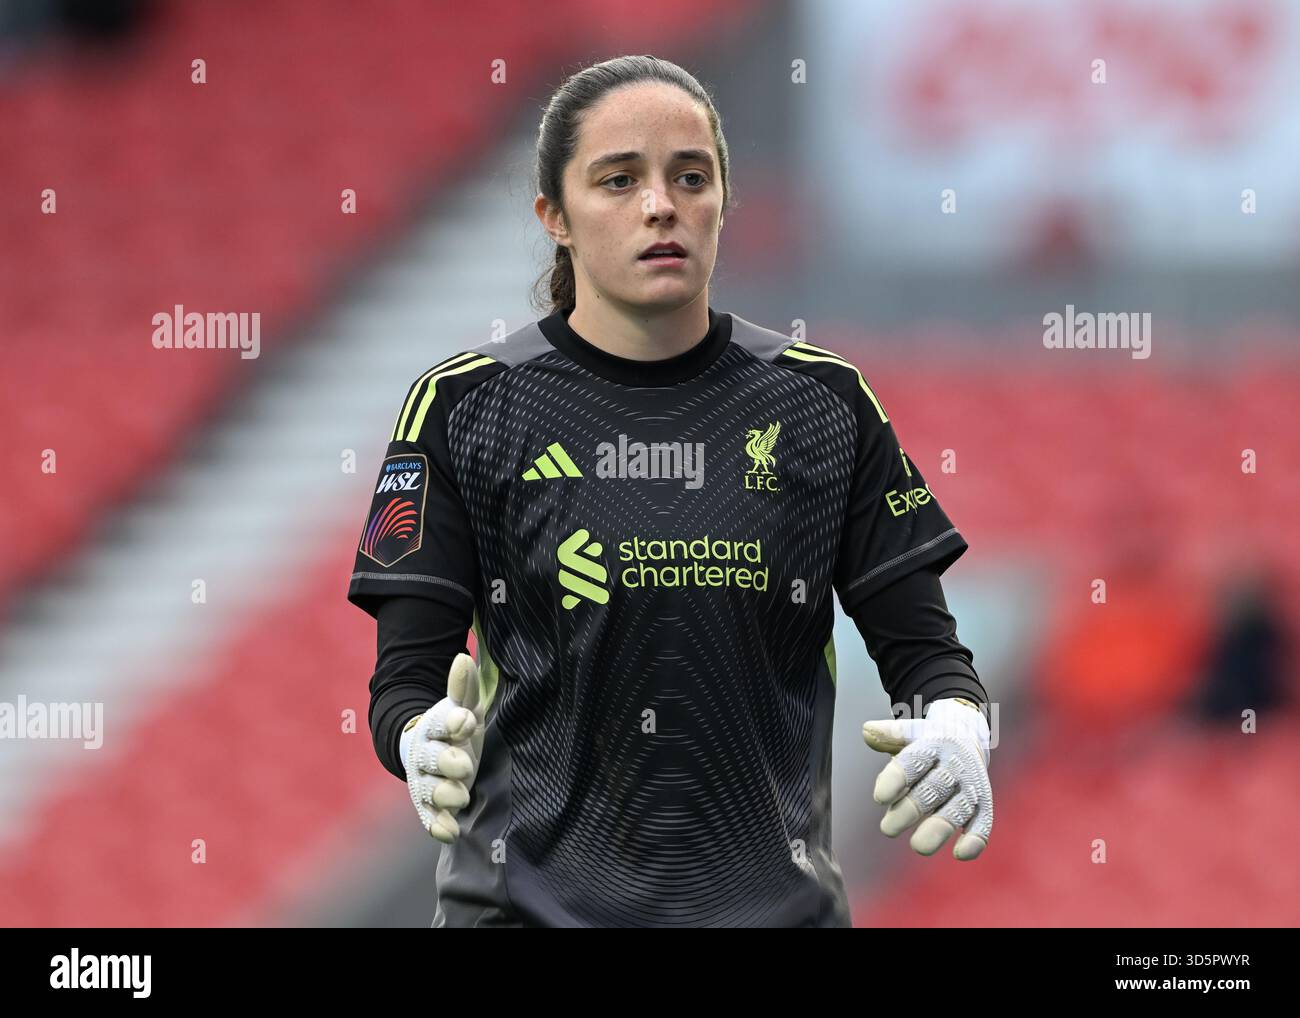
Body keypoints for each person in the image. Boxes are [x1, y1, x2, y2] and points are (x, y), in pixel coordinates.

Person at [346, 55, 993, 928]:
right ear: (555, 217)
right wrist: (416, 739)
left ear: (724, 199)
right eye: (619, 180)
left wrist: (957, 722)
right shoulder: (464, 407)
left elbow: (925, 654)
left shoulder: (824, 403)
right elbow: (407, 685)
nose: (662, 205)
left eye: (691, 177)